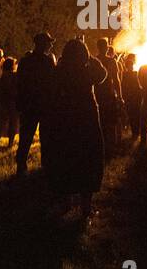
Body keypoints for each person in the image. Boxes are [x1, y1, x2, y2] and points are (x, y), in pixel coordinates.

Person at [45, 38, 107, 220]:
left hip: (66, 118)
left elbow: (52, 90)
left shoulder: (60, 70)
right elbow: (102, 76)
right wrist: (92, 58)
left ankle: (66, 200)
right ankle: (86, 206)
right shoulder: (88, 70)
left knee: (67, 157)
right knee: (89, 158)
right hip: (87, 117)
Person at [15, 33, 56, 174]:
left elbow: (19, 83)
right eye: (49, 43)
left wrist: (20, 102)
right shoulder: (48, 61)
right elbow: (52, 84)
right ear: (44, 44)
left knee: (25, 136)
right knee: (45, 136)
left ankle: (21, 164)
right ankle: (46, 164)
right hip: (43, 104)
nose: (51, 45)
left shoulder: (25, 61)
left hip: (28, 104)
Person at [94, 38, 123, 153]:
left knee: (100, 121)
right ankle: (110, 148)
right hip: (108, 95)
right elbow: (116, 80)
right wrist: (120, 97)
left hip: (97, 95)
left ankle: (100, 147)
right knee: (110, 122)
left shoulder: (94, 61)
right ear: (106, 47)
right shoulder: (111, 62)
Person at [120, 52, 143, 143]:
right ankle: (136, 132)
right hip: (135, 97)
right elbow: (139, 86)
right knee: (136, 114)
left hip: (130, 97)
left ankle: (135, 132)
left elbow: (123, 86)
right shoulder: (134, 74)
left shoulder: (124, 75)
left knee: (132, 115)